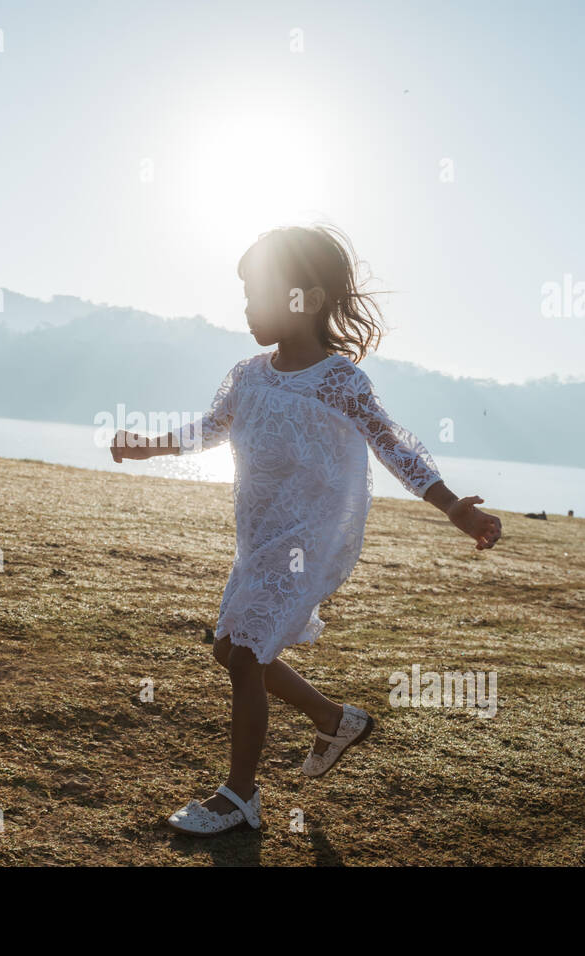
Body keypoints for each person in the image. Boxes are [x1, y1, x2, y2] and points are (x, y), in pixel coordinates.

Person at [111, 225, 502, 836]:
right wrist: (147, 446)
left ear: (309, 301)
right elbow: (208, 429)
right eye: (245, 293)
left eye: (259, 292)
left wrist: (456, 509)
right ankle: (333, 719)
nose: (247, 307)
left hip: (307, 541)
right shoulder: (248, 375)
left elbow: (395, 446)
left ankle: (239, 799)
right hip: (258, 538)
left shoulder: (339, 381)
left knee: (244, 654)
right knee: (231, 649)